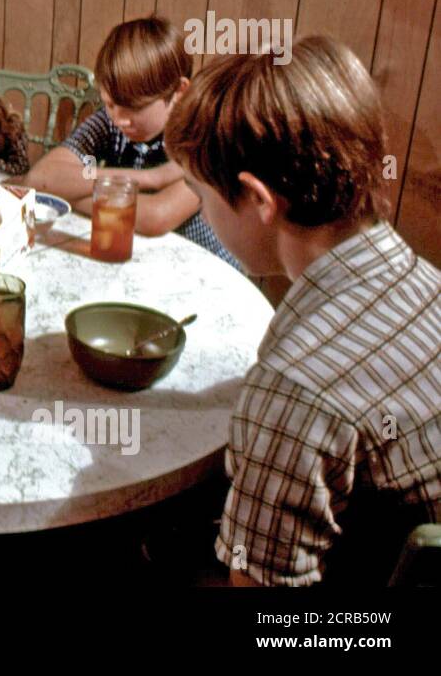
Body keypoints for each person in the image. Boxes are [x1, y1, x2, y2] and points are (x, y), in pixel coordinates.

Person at [164, 36, 441, 587]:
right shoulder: (428, 283)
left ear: (259, 200)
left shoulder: (294, 387)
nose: (202, 208)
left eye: (201, 192)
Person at [23, 17, 240, 268]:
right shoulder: (110, 120)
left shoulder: (203, 134)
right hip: (143, 260)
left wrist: (69, 194)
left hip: (205, 269)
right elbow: (40, 179)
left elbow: (155, 217)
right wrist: (152, 178)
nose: (119, 119)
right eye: (110, 104)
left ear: (179, 92)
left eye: (134, 107)